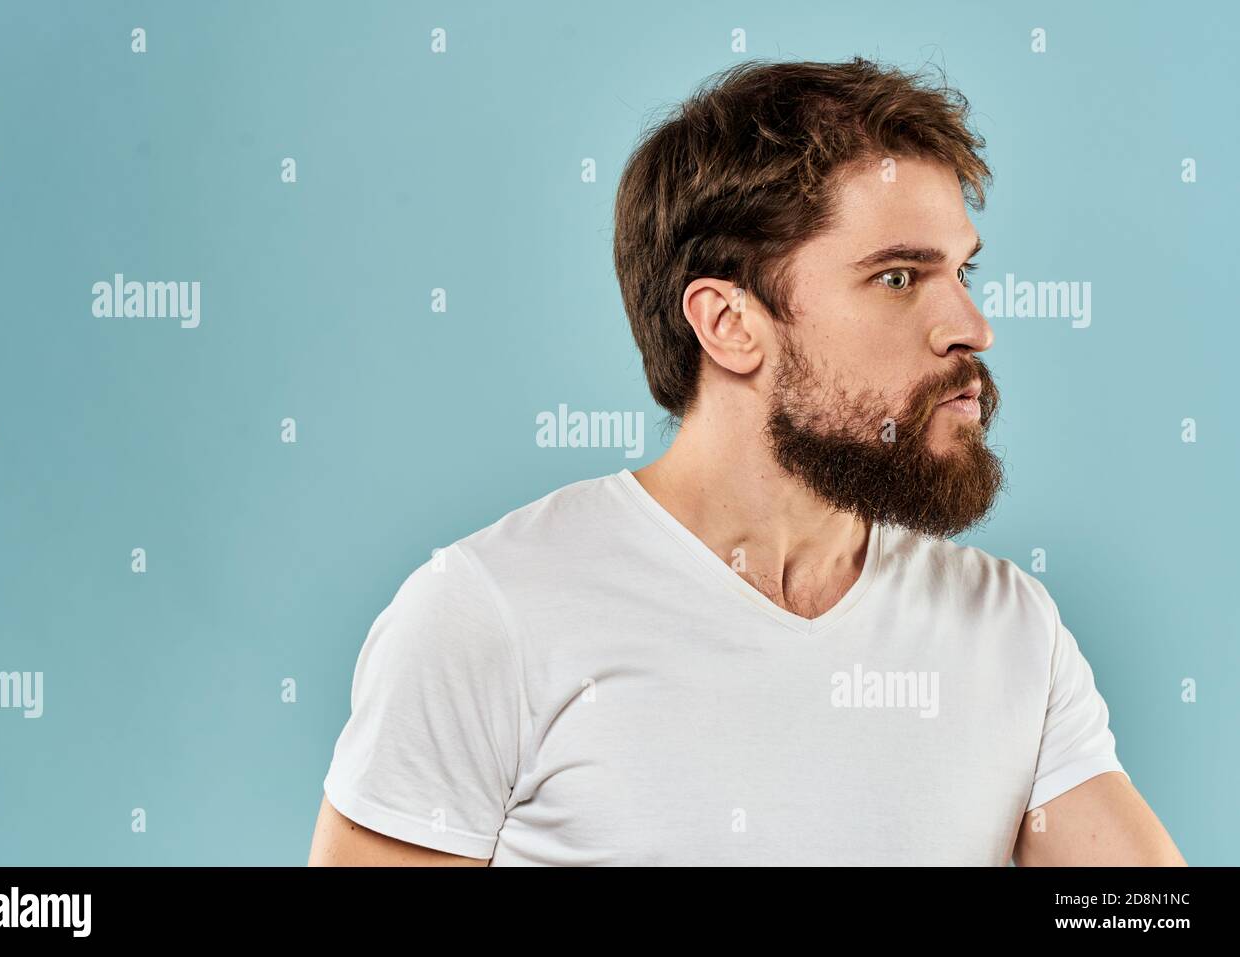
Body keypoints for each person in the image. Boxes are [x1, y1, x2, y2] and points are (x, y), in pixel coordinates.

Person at [308, 57, 1185, 866]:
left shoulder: (1010, 626)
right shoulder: (487, 613)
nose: (971, 326)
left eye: (965, 271)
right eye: (899, 277)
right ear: (729, 324)